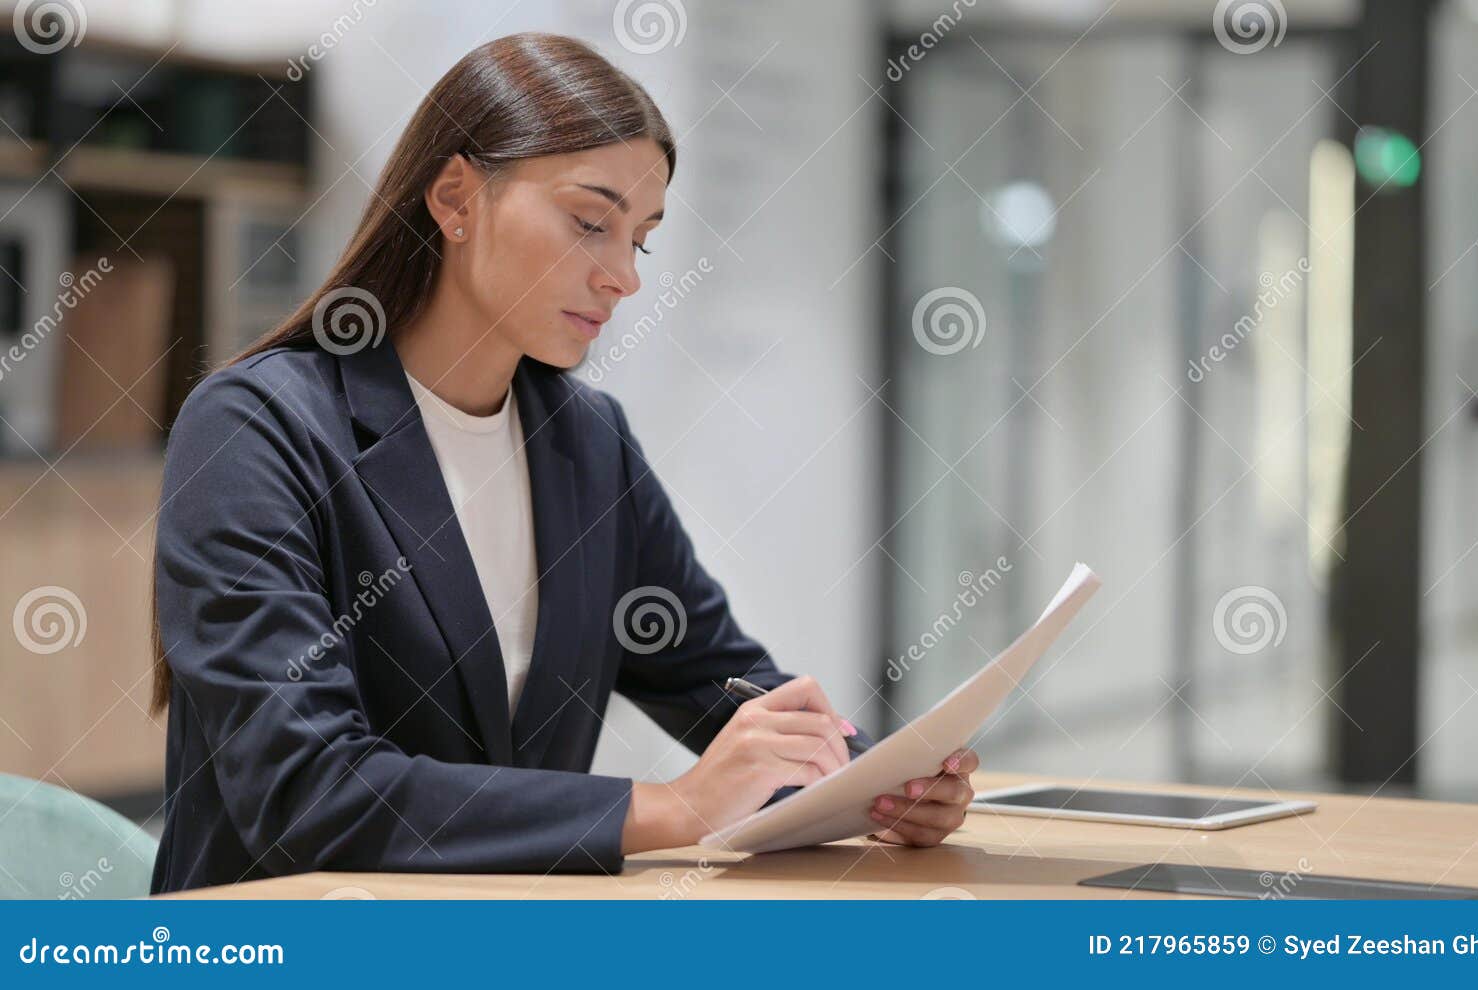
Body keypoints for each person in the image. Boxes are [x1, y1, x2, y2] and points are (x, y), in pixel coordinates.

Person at [147, 32, 978, 895]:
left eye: (641, 240)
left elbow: (712, 677)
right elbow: (306, 791)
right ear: (456, 197)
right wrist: (677, 809)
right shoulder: (256, 428)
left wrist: (871, 780)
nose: (625, 277)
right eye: (590, 223)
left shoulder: (586, 443)